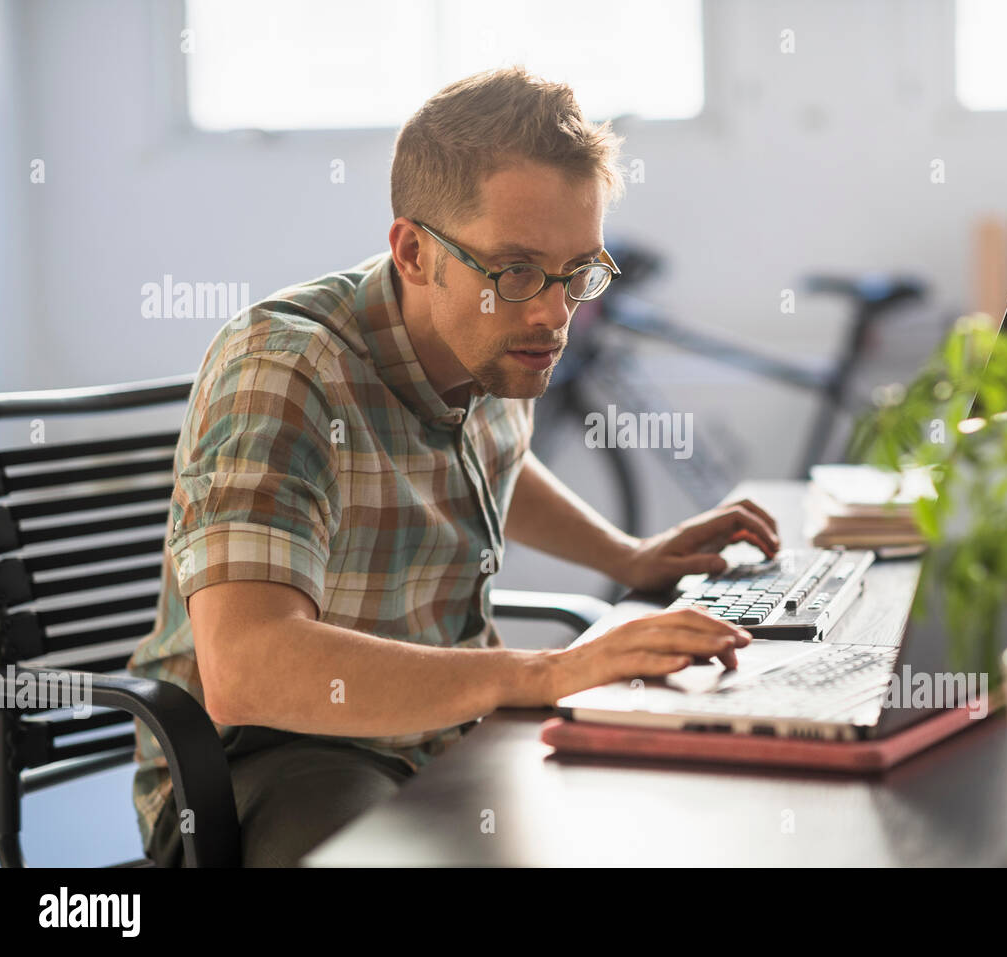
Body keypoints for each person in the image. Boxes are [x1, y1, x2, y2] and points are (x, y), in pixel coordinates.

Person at [128, 66, 779, 867]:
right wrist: (538, 671)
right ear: (412, 251)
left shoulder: (500, 344)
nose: (552, 313)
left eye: (579, 273)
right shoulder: (285, 369)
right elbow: (249, 668)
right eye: (514, 272)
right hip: (275, 753)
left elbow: (497, 458)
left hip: (442, 733)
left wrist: (629, 557)